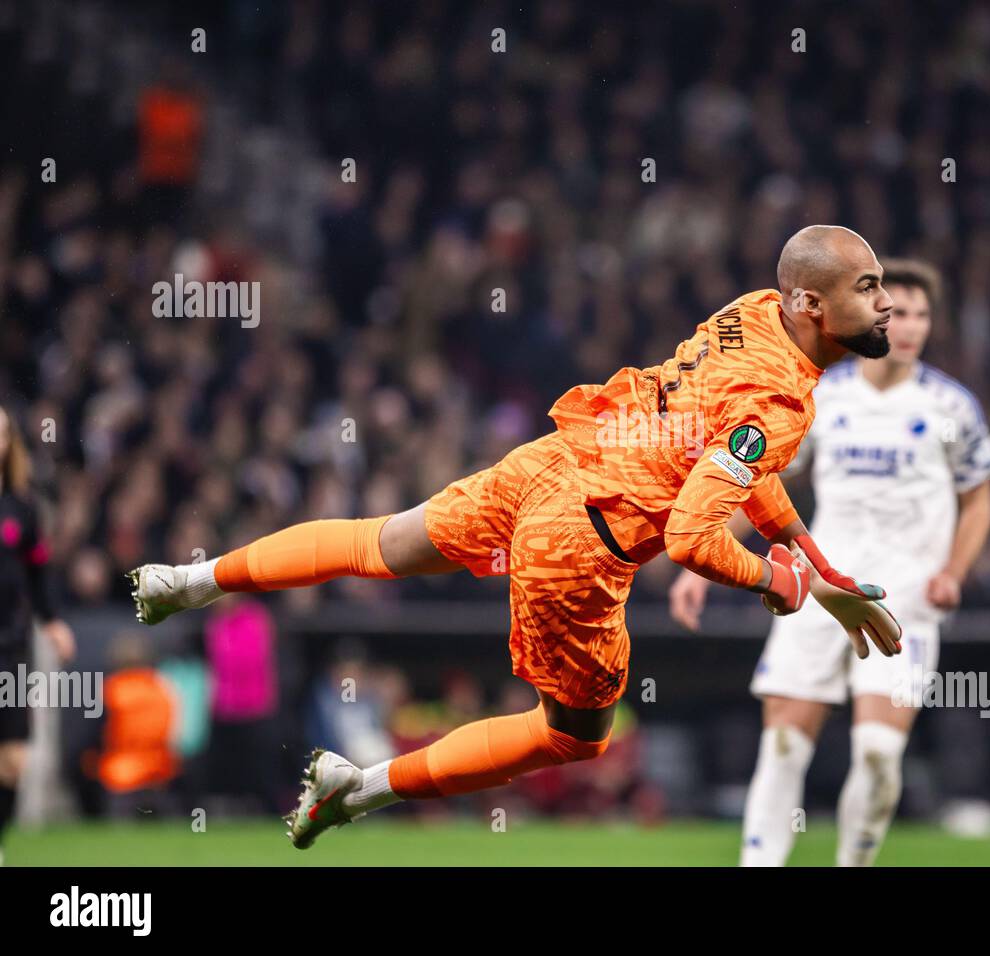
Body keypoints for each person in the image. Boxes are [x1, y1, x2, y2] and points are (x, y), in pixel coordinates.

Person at [130, 224, 898, 849]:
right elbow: (697, 537)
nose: (886, 303)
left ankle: (187, 582)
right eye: (867, 288)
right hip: (583, 541)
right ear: (810, 302)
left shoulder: (758, 311)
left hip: (556, 461)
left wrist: (821, 569)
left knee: (378, 542)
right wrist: (780, 583)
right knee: (574, 738)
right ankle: (358, 790)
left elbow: (735, 465)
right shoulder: (780, 403)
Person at [669, 260, 990, 865]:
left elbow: (978, 496)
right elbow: (759, 477)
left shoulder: (952, 408)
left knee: (877, 750)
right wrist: (703, 554)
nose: (908, 326)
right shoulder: (822, 396)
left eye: (921, 315)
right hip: (817, 586)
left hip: (903, 597)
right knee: (783, 748)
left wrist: (954, 569)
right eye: (896, 311)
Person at [0, 406, 77, 863]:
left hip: (10, 646)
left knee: (12, 762)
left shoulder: (22, 507)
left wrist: (52, 622)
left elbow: (38, 572)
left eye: (3, 434)